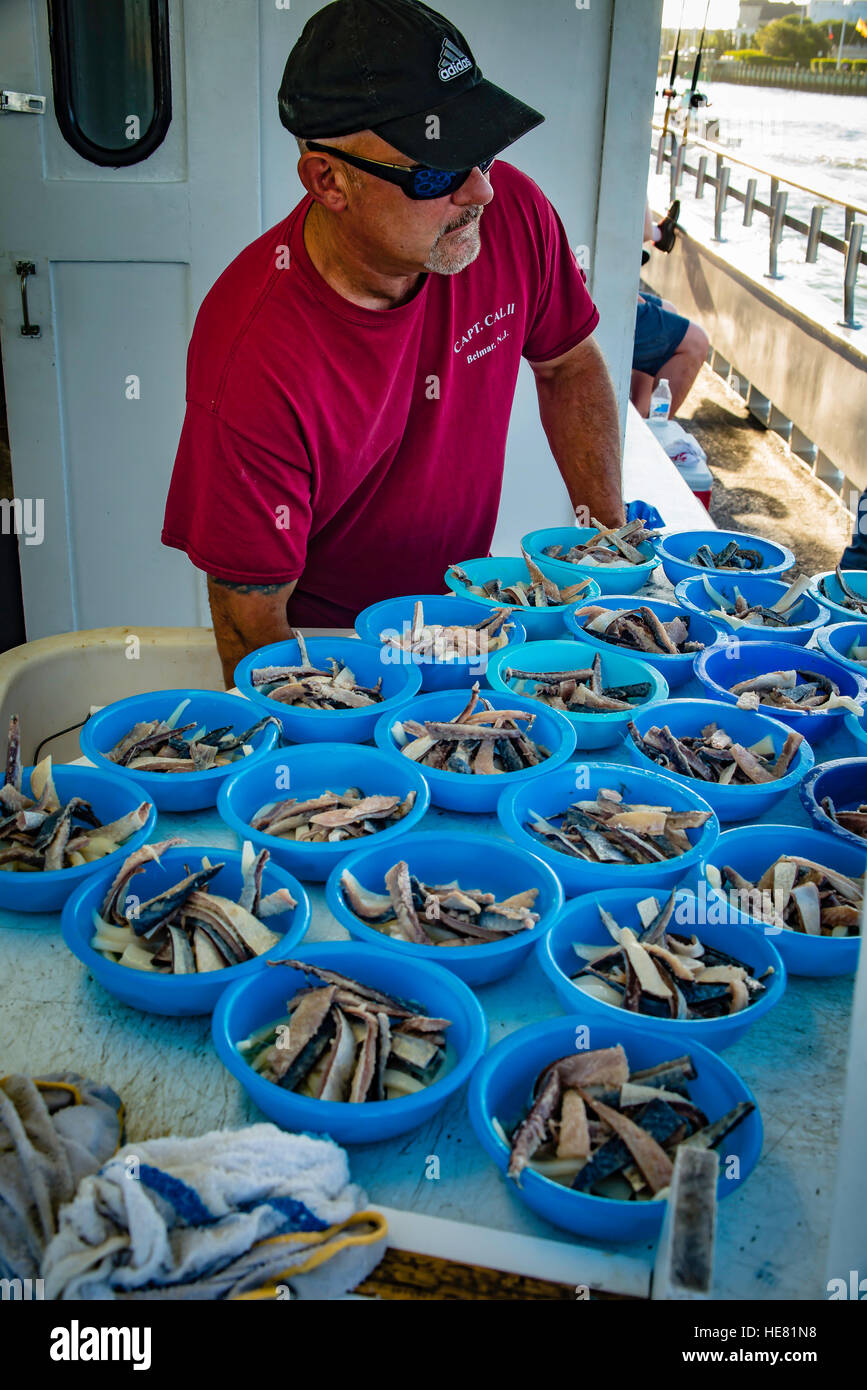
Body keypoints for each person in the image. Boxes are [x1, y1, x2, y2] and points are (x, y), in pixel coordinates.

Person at [161, 0, 624, 685]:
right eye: (436, 173)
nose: (481, 191)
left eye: (483, 151)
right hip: (334, 648)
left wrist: (607, 546)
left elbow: (567, 365)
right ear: (329, 181)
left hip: (466, 614)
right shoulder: (255, 350)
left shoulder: (510, 212)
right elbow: (247, 611)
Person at [630, 201, 709, 419]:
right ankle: (654, 429)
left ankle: (639, 412)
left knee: (668, 309)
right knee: (696, 342)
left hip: (601, 289)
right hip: (601, 301)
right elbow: (644, 229)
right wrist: (655, 232)